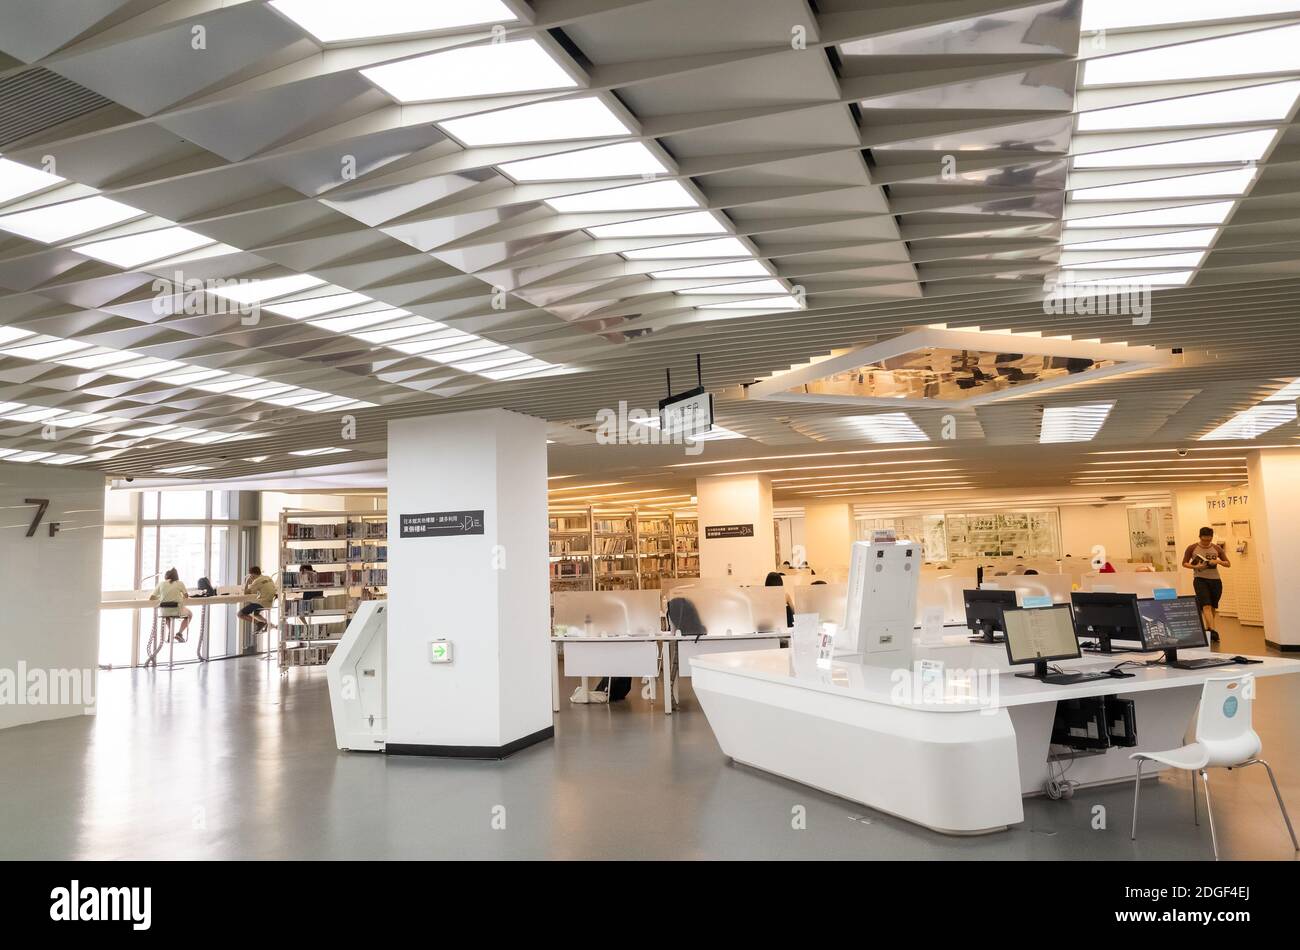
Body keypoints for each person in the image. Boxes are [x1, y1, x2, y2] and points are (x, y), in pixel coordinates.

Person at [1184, 526, 1230, 642]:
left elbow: (1228, 563)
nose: (1206, 542)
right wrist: (1195, 566)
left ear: (1212, 538)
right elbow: (1184, 563)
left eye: (1208, 540)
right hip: (1200, 579)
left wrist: (1218, 561)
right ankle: (1214, 631)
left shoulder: (1217, 548)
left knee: (1213, 606)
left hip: (1215, 580)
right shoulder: (1192, 548)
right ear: (1200, 537)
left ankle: (1208, 628)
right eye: (1204, 540)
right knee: (1206, 605)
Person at [149, 568, 192, 642]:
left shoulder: (161, 583)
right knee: (190, 614)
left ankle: (171, 633)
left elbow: (151, 598)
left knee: (167, 616)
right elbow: (186, 596)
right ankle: (179, 633)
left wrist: (161, 597)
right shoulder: (179, 583)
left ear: (166, 576)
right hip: (177, 610)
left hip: (164, 611)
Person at [240, 566, 278, 631]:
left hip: (263, 603)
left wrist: (247, 582)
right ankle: (270, 625)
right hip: (270, 602)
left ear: (252, 574)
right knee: (255, 614)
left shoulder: (257, 581)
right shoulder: (268, 577)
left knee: (240, 614)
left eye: (251, 575)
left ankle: (259, 623)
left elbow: (246, 593)